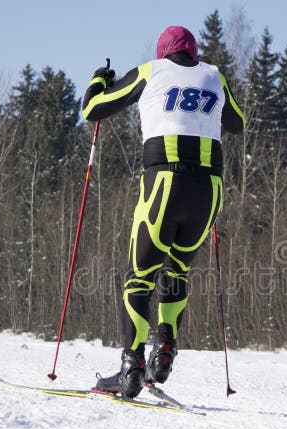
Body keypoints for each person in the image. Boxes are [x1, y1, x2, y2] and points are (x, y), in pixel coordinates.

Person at [81, 26, 245, 397]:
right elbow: (237, 123)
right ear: (193, 52)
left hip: (165, 185)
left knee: (138, 278)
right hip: (208, 190)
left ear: (164, 52)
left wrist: (98, 79)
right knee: (177, 269)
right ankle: (165, 351)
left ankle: (131, 369)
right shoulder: (215, 75)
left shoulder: (150, 71)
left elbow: (93, 109)